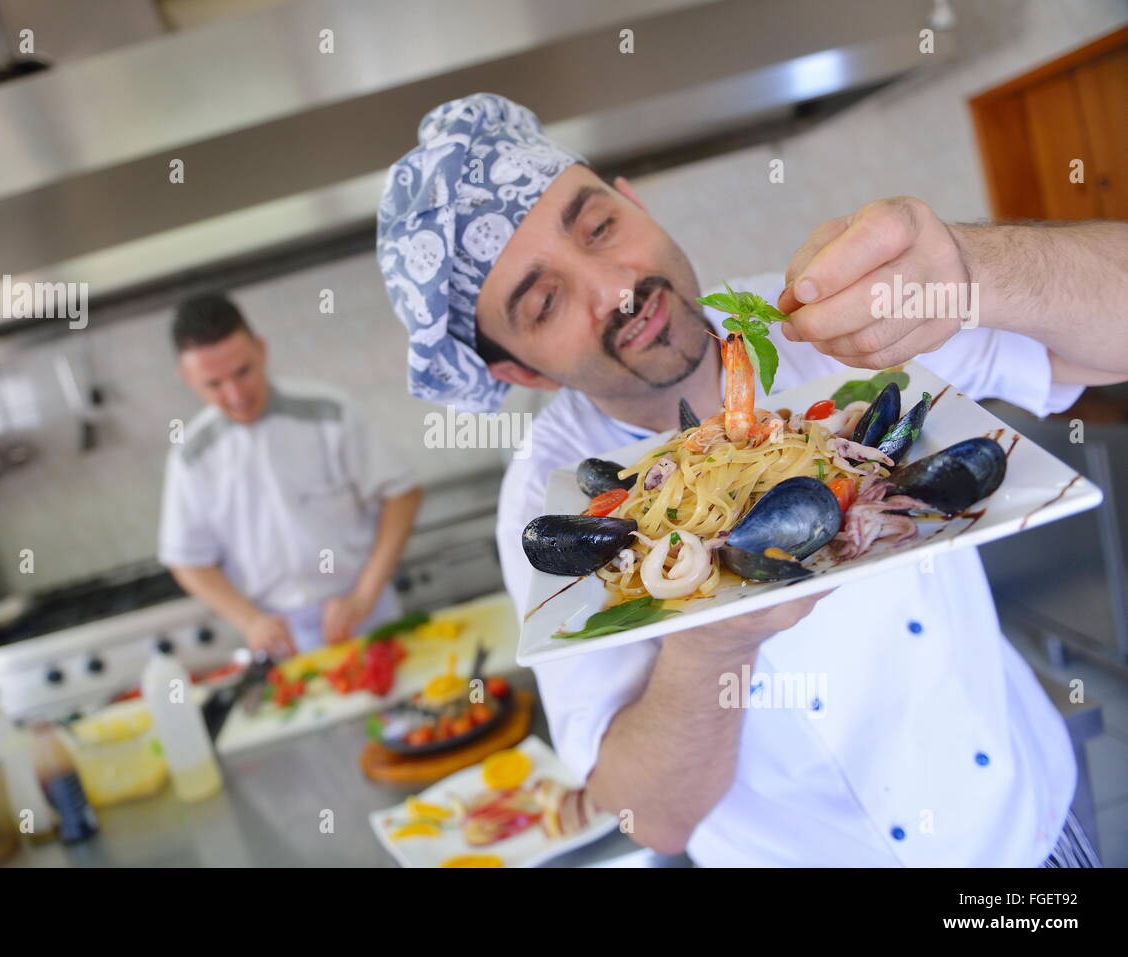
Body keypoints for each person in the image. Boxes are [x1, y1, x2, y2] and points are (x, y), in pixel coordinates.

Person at [376, 93, 1128, 866]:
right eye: (544, 301)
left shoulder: (826, 317)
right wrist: (713, 645)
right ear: (516, 370)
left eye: (599, 226)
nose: (613, 288)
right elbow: (652, 818)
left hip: (1023, 828)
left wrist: (977, 269)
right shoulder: (546, 494)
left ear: (634, 200)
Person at [158, 293, 422, 658]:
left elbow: (402, 495)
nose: (235, 395)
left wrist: (363, 596)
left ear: (261, 350)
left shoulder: (330, 412)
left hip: (366, 615)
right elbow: (188, 561)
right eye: (214, 385)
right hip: (281, 639)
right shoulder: (190, 458)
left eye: (243, 372)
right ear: (187, 379)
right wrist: (249, 621)